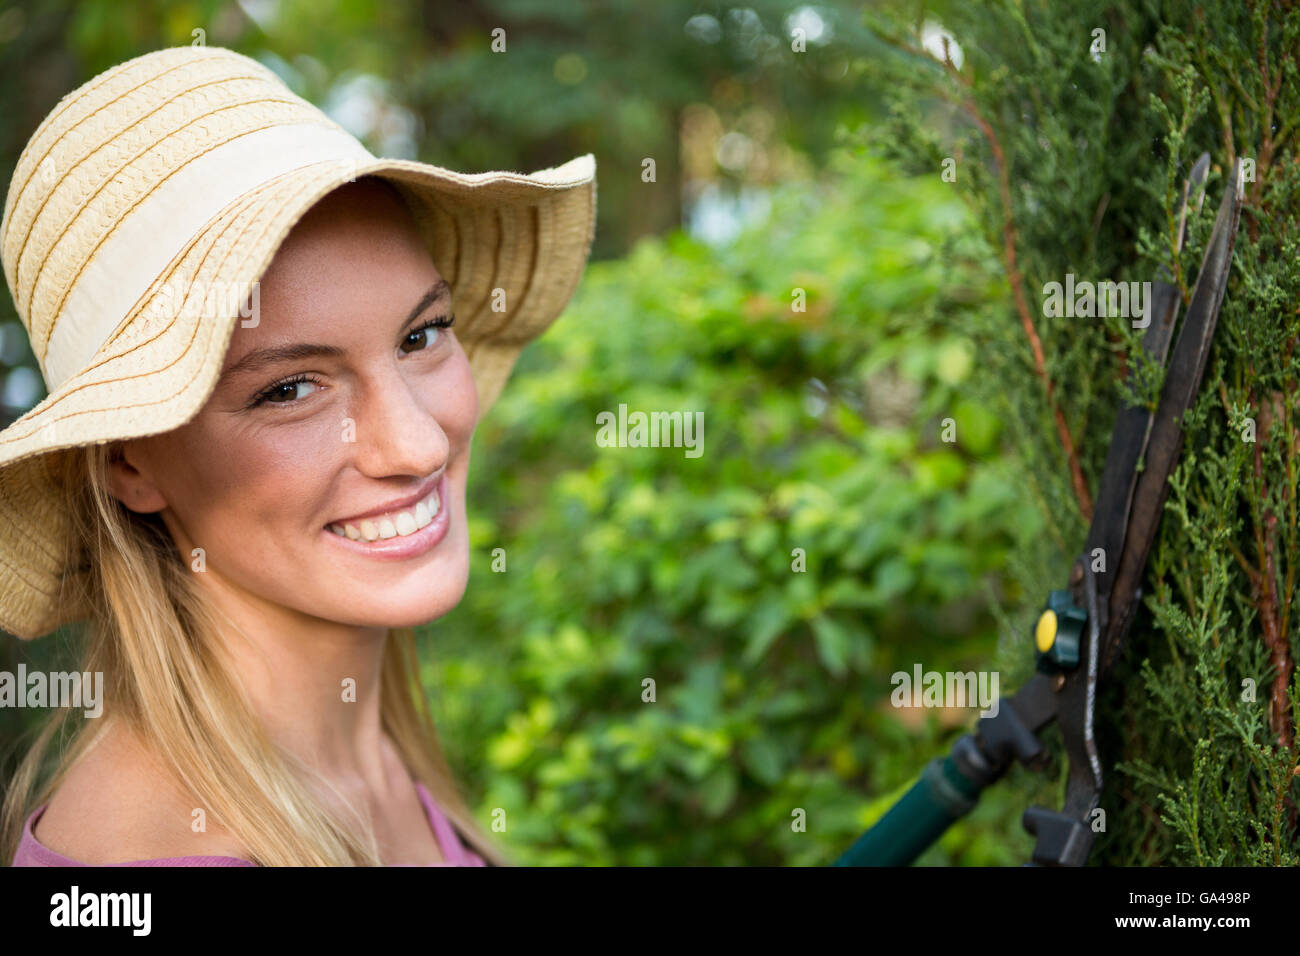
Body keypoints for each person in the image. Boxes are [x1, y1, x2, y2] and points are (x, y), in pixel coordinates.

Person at [0, 44, 596, 866]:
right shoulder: (145, 858)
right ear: (128, 465)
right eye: (290, 390)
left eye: (421, 335)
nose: (418, 444)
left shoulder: (364, 759)